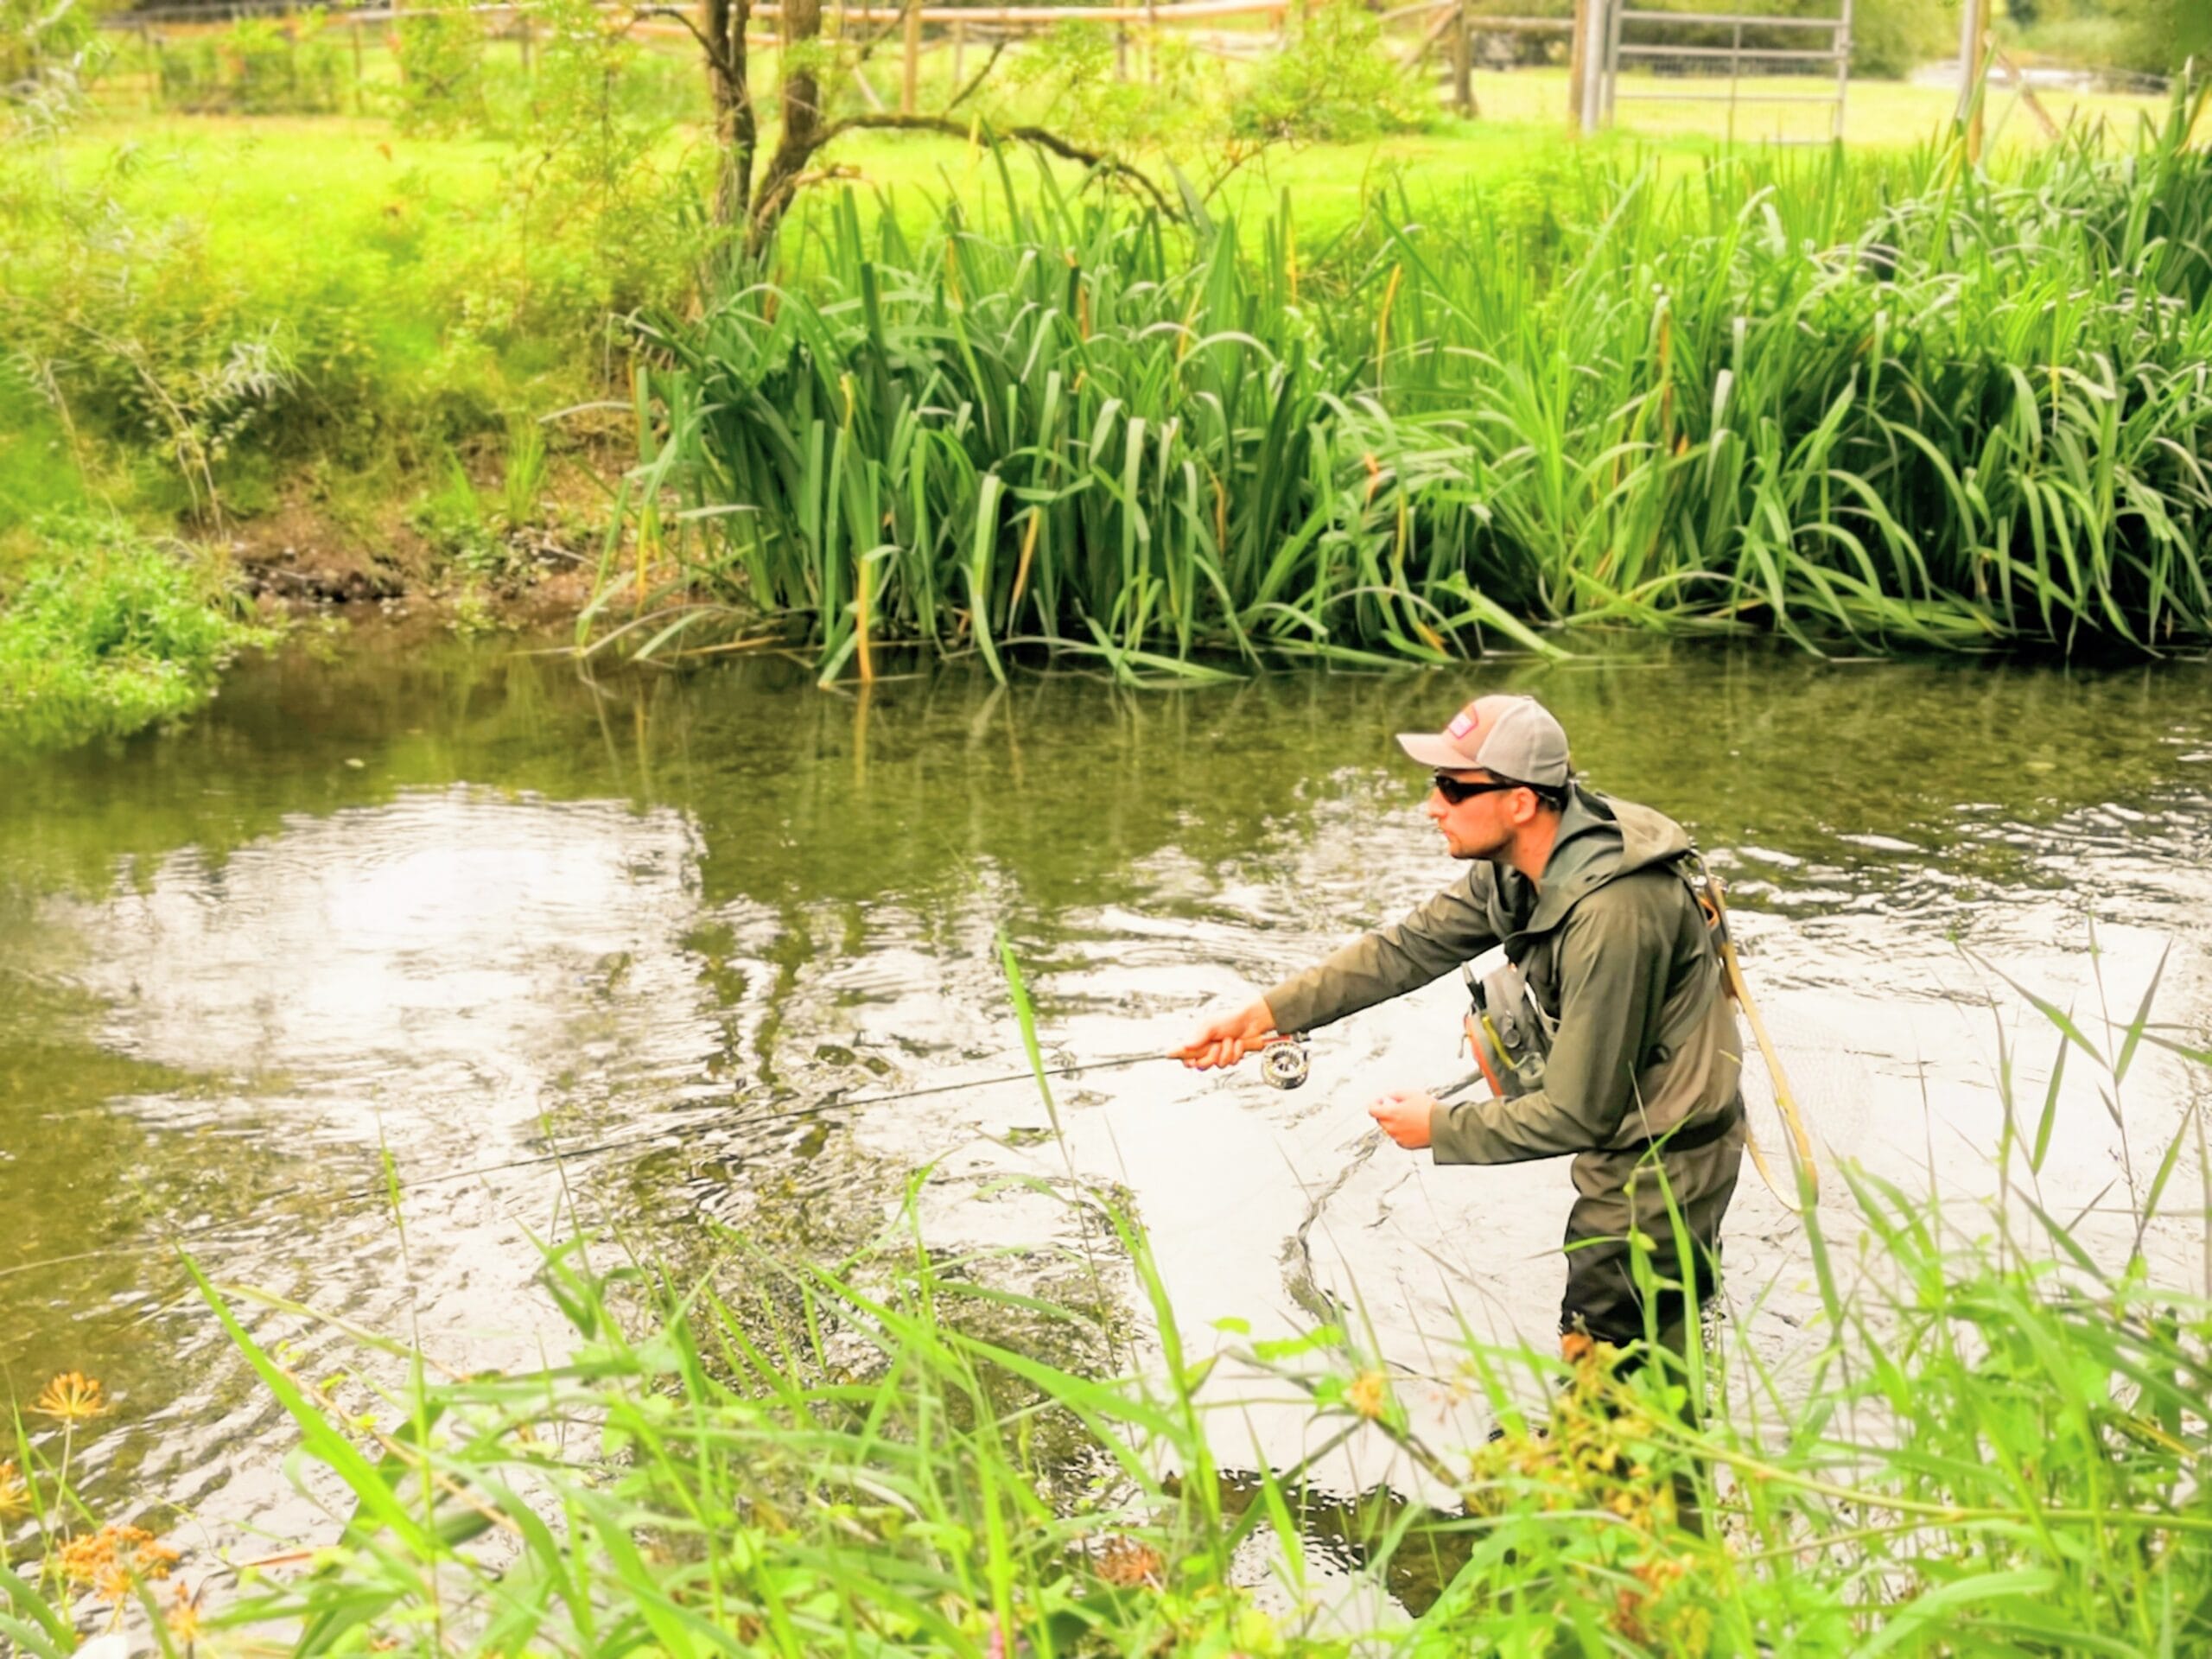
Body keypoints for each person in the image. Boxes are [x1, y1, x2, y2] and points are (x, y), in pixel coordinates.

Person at [1174, 693, 1745, 1377]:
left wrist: (1439, 1127)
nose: (1431, 806)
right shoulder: (1524, 863)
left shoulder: (1613, 915)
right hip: (1628, 1121)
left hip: (1664, 1155)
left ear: (1521, 802)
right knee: (1650, 1342)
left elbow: (1578, 1113)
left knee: (1609, 1333)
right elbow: (1406, 949)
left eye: (1452, 787)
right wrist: (1264, 1016)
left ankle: (1619, 1436)